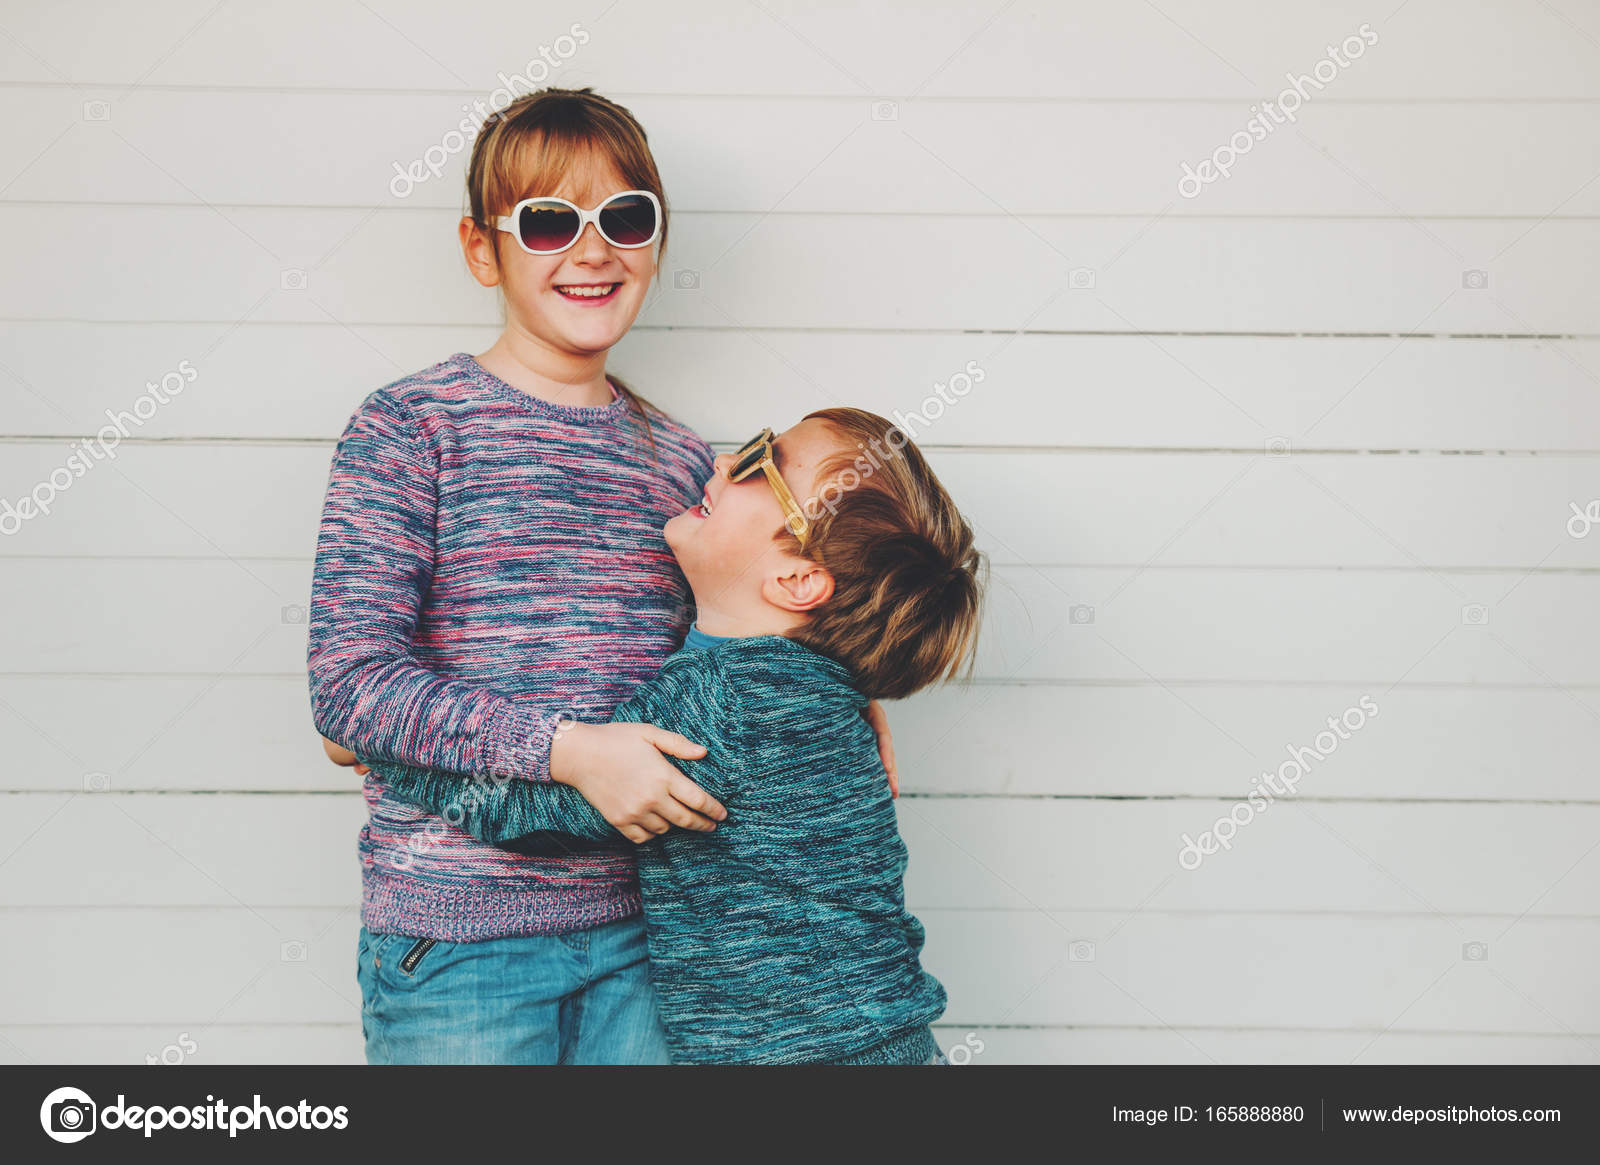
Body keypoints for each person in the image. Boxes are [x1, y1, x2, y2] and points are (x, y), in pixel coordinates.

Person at [354, 408, 985, 1064]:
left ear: (797, 580)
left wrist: (383, 745)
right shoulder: (812, 690)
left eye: (760, 463)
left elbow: (530, 810)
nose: (724, 462)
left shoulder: (725, 699)